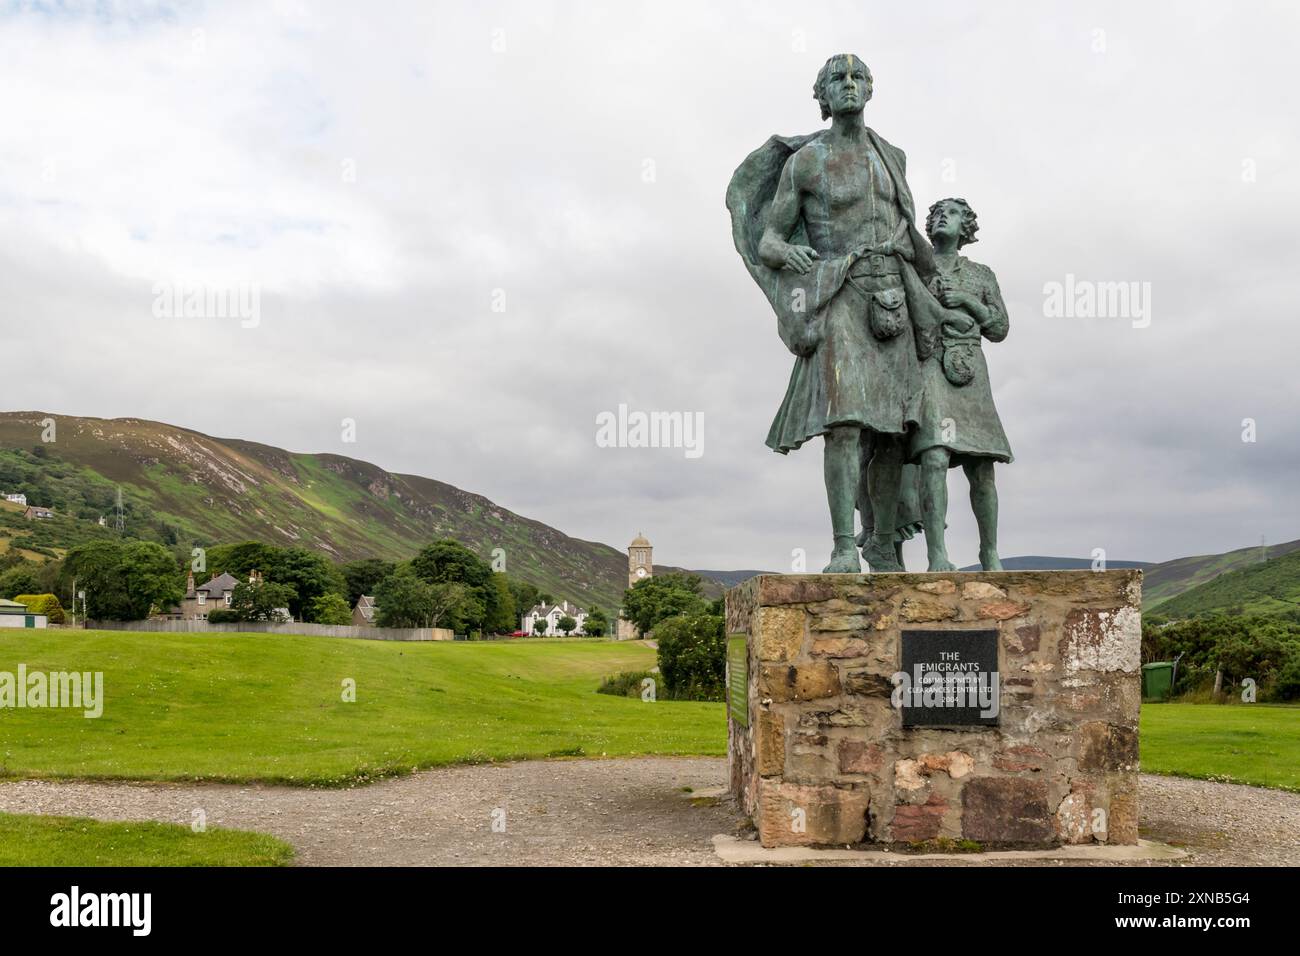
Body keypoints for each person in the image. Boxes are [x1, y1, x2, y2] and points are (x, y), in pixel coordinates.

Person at [911, 198, 1013, 571]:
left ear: (966, 226)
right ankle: (937, 554)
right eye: (936, 213)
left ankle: (989, 552)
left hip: (971, 366)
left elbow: (999, 328)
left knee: (982, 466)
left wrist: (969, 301)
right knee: (934, 454)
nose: (941, 217)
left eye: (951, 213)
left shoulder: (982, 274)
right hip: (931, 363)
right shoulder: (917, 267)